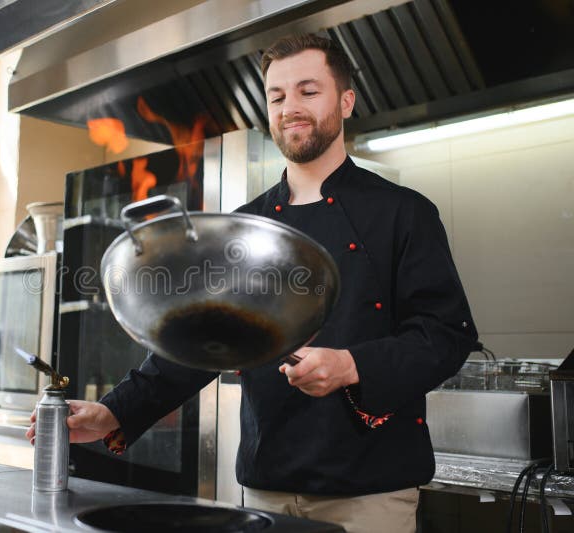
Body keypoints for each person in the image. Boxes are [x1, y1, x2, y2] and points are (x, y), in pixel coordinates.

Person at [27, 33, 478, 533]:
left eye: (309, 91)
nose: (290, 108)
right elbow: (199, 341)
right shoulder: (248, 225)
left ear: (346, 101)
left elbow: (446, 336)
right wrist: (114, 412)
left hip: (368, 493)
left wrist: (352, 365)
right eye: (278, 96)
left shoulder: (403, 212)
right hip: (266, 484)